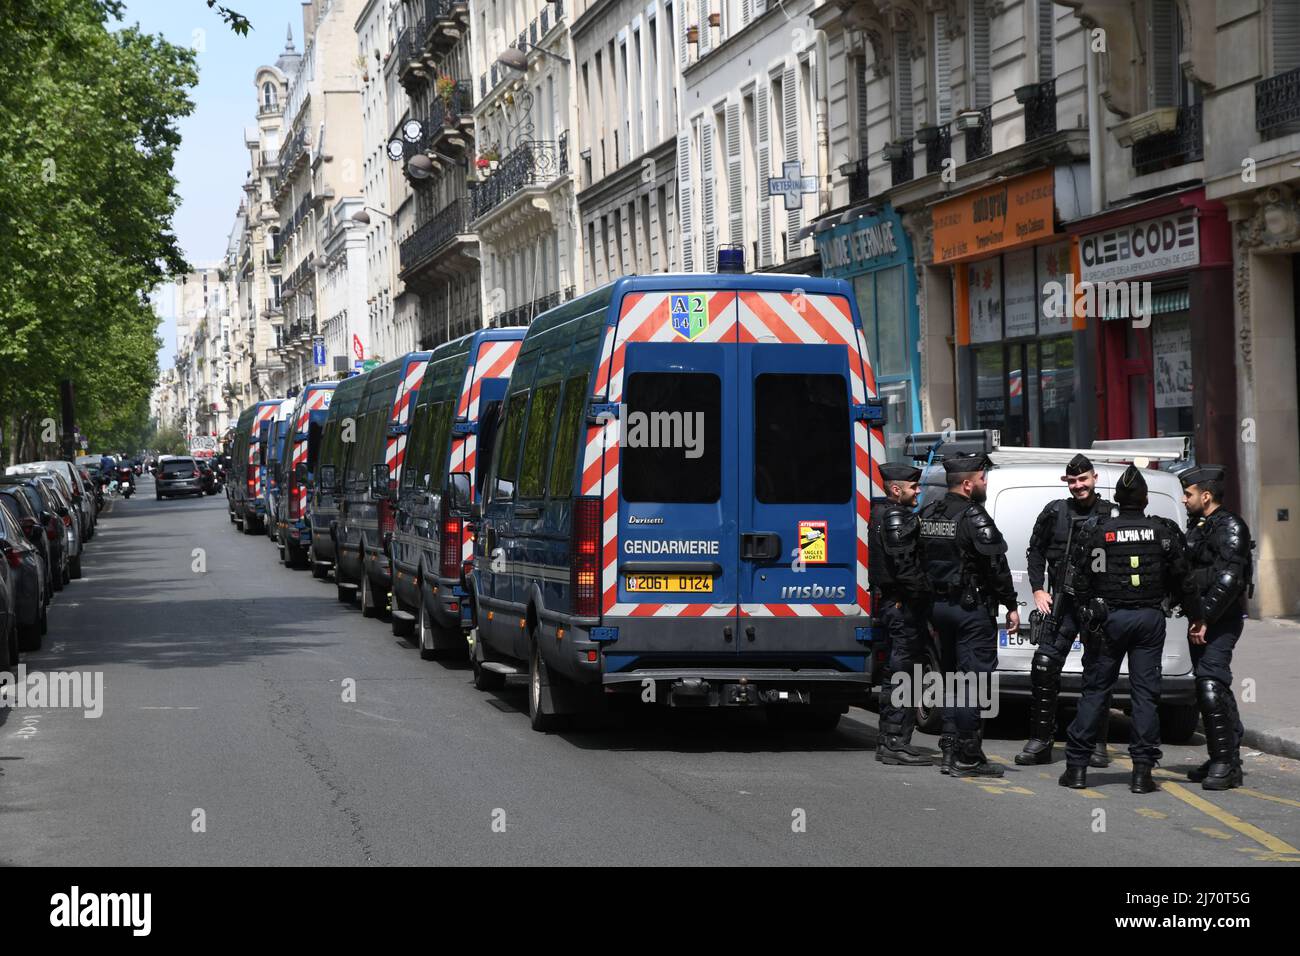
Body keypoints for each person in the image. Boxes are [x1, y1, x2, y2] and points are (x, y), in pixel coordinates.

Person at [1059, 465, 1201, 793]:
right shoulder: (1162, 531)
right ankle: (1142, 773)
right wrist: (1197, 616)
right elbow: (1184, 578)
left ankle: (1077, 768)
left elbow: (1082, 579)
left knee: (1095, 690)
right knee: (1145, 694)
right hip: (1149, 620)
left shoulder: (1099, 531)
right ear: (1145, 499)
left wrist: (1086, 614)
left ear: (1118, 500)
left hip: (1109, 619)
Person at [919, 452, 1020, 778]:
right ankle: (967, 755)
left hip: (940, 609)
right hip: (970, 609)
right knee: (973, 683)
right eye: (981, 478)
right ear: (967, 484)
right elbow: (996, 566)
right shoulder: (974, 517)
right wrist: (1011, 604)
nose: (984, 483)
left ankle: (949, 749)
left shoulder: (930, 514)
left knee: (950, 678)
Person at [1016, 454, 1115, 767]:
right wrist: (1038, 589)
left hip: (1096, 605)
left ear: (1094, 478)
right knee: (1044, 665)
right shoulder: (1054, 512)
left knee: (1098, 671)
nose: (1078, 486)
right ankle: (1040, 741)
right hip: (1061, 602)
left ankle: (1096, 742)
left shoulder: (1110, 514)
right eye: (1072, 481)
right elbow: (1035, 551)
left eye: (1082, 479)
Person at [1180, 465, 1253, 791]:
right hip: (1201, 620)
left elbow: (1229, 580)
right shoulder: (1199, 526)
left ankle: (1226, 764)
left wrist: (1204, 618)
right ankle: (1223, 755)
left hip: (1219, 621)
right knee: (1212, 685)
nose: (1184, 500)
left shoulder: (1231, 526)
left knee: (1211, 683)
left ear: (1205, 495)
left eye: (1188, 494)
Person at [868, 461, 933, 766]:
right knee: (904, 673)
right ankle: (896, 742)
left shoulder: (883, 514)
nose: (918, 491)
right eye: (913, 487)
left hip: (894, 603)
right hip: (902, 605)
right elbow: (905, 567)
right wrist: (922, 595)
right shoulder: (896, 517)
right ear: (896, 489)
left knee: (897, 672)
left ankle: (889, 739)